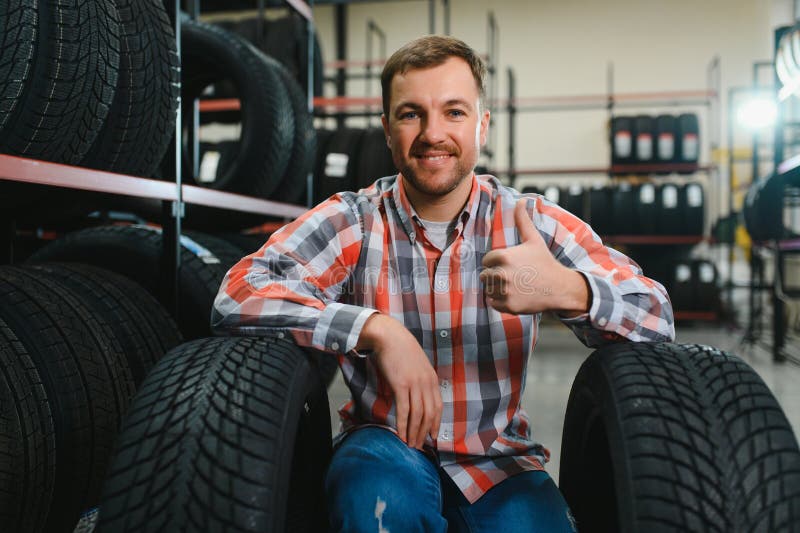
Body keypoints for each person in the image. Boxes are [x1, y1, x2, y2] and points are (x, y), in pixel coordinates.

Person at [213, 35, 674, 533]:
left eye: (454, 112)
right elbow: (238, 292)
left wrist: (567, 290)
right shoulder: (355, 221)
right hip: (383, 446)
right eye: (411, 114)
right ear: (387, 130)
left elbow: (655, 312)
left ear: (483, 125)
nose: (433, 133)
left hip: (500, 461)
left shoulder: (530, 222)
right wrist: (375, 328)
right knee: (375, 505)